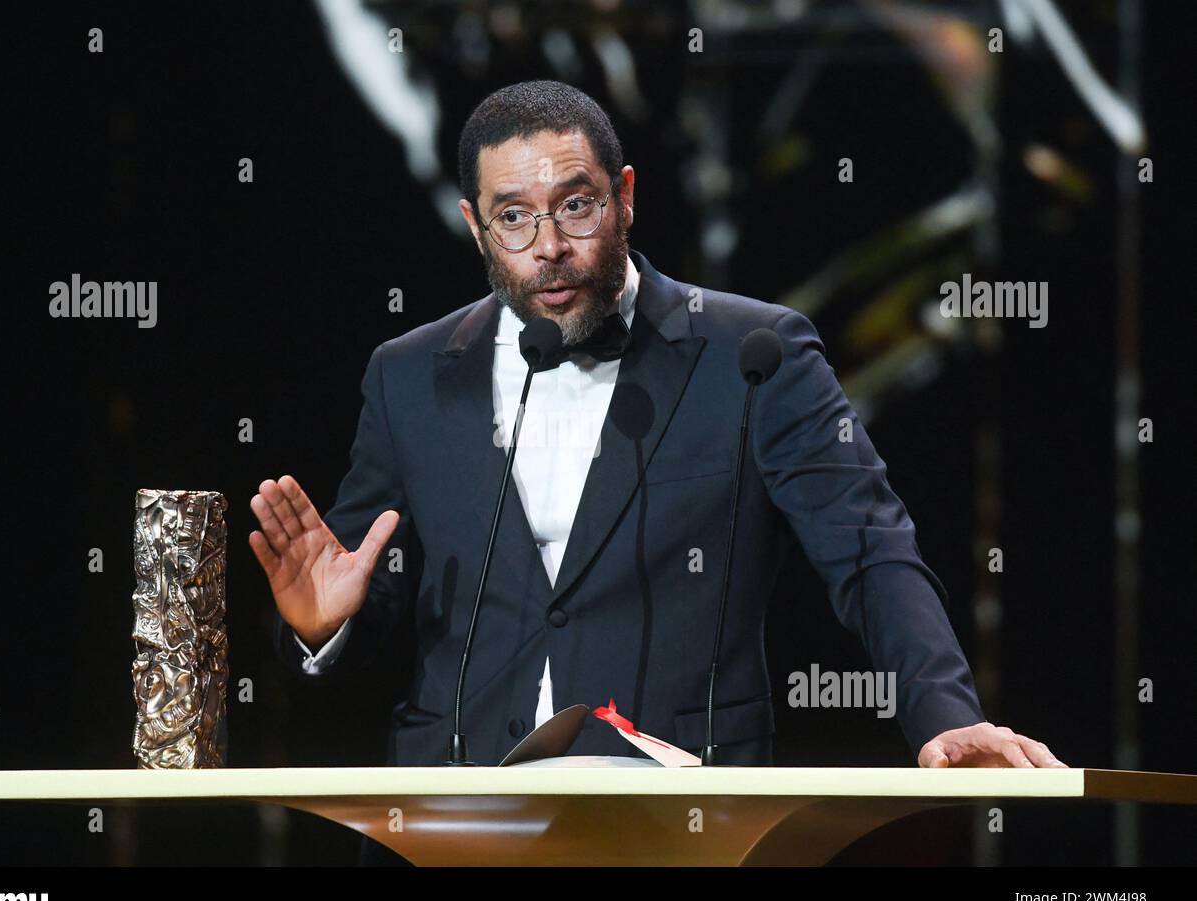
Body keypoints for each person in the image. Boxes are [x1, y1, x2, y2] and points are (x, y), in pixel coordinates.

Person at [249, 80, 1066, 781]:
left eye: (576, 206)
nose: (550, 248)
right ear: (474, 224)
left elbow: (869, 550)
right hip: (448, 819)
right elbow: (361, 578)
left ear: (626, 195)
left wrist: (941, 716)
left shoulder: (752, 354)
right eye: (514, 219)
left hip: (678, 813)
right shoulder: (409, 373)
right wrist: (325, 625)